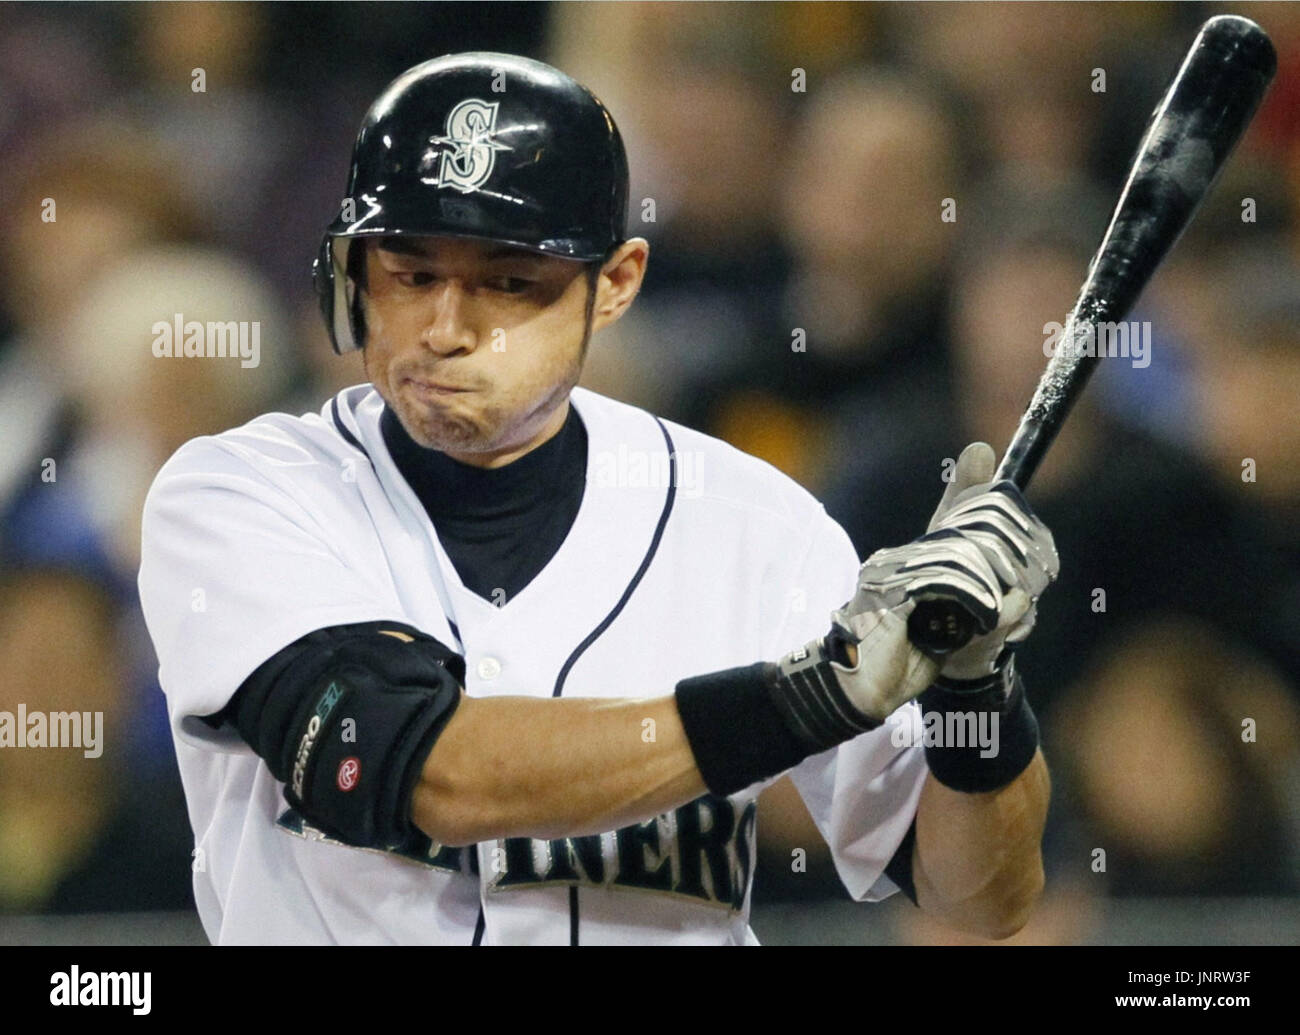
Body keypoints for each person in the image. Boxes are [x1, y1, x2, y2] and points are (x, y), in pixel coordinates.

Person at [137, 52, 1057, 946]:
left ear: (613, 284)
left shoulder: (755, 525)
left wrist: (975, 694)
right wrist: (803, 700)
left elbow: (978, 897)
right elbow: (423, 771)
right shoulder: (242, 496)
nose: (448, 329)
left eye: (508, 282)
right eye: (412, 274)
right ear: (352, 270)